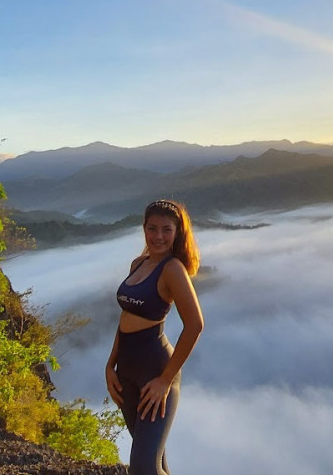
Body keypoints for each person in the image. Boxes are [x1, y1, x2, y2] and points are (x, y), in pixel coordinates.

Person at [106, 199, 204, 475]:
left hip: (155, 373)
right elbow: (125, 320)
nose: (158, 236)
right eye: (152, 228)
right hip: (126, 374)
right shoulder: (138, 264)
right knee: (155, 462)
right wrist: (110, 365)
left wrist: (165, 380)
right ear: (144, 229)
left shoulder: (173, 270)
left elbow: (195, 325)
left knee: (143, 468)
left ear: (177, 233)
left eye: (166, 230)